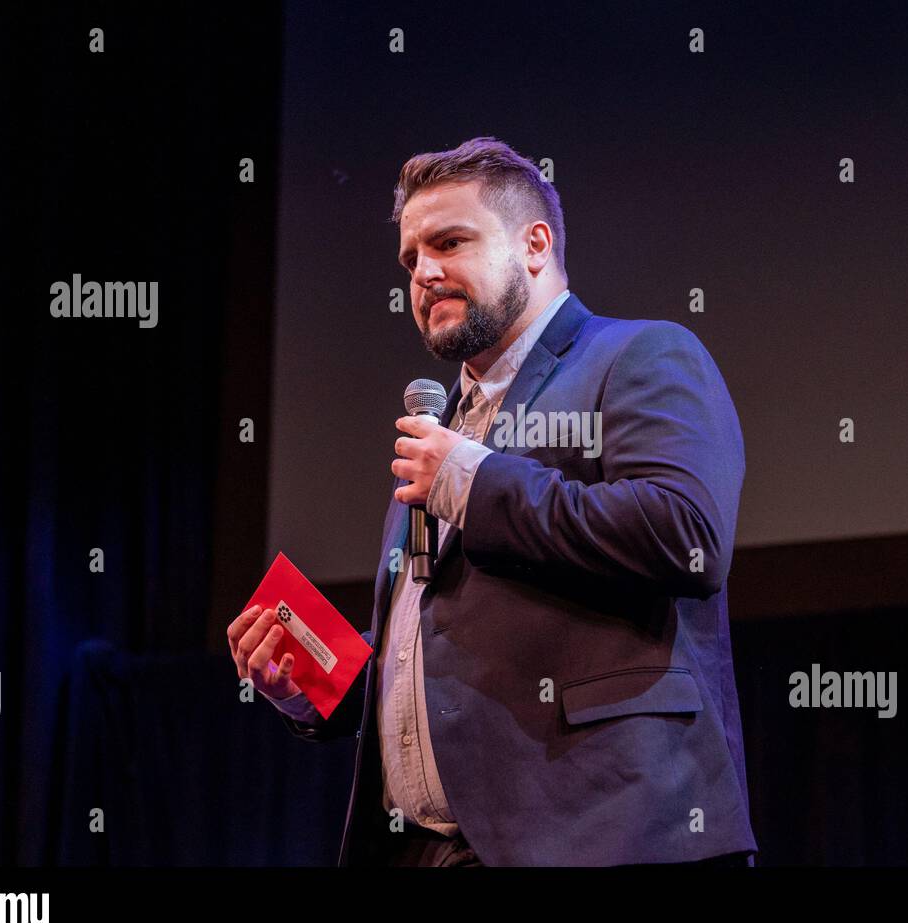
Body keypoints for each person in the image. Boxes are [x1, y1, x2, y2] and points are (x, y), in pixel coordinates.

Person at [225, 136, 757, 867]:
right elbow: (433, 658)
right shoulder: (442, 432)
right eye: (411, 259)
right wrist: (314, 687)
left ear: (535, 244)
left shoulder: (639, 356)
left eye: (449, 242)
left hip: (605, 837)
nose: (424, 273)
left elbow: (686, 534)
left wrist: (471, 482)